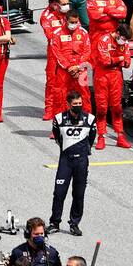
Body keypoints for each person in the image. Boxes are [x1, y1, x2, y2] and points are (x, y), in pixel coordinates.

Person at [49, 91, 95, 235]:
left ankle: (74, 224)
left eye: (80, 104)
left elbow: (91, 139)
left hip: (81, 162)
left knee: (79, 194)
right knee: (59, 193)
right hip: (65, 161)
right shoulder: (58, 118)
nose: (78, 106)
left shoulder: (90, 119)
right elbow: (57, 137)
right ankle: (55, 222)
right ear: (68, 104)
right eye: (75, 104)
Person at [91, 23, 132, 151]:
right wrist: (119, 58)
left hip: (116, 77)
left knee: (117, 107)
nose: (124, 42)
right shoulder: (103, 40)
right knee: (102, 108)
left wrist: (117, 59)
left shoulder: (125, 44)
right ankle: (101, 136)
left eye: (126, 40)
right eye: (124, 38)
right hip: (102, 76)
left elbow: (127, 63)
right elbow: (105, 61)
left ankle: (120, 136)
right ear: (118, 33)